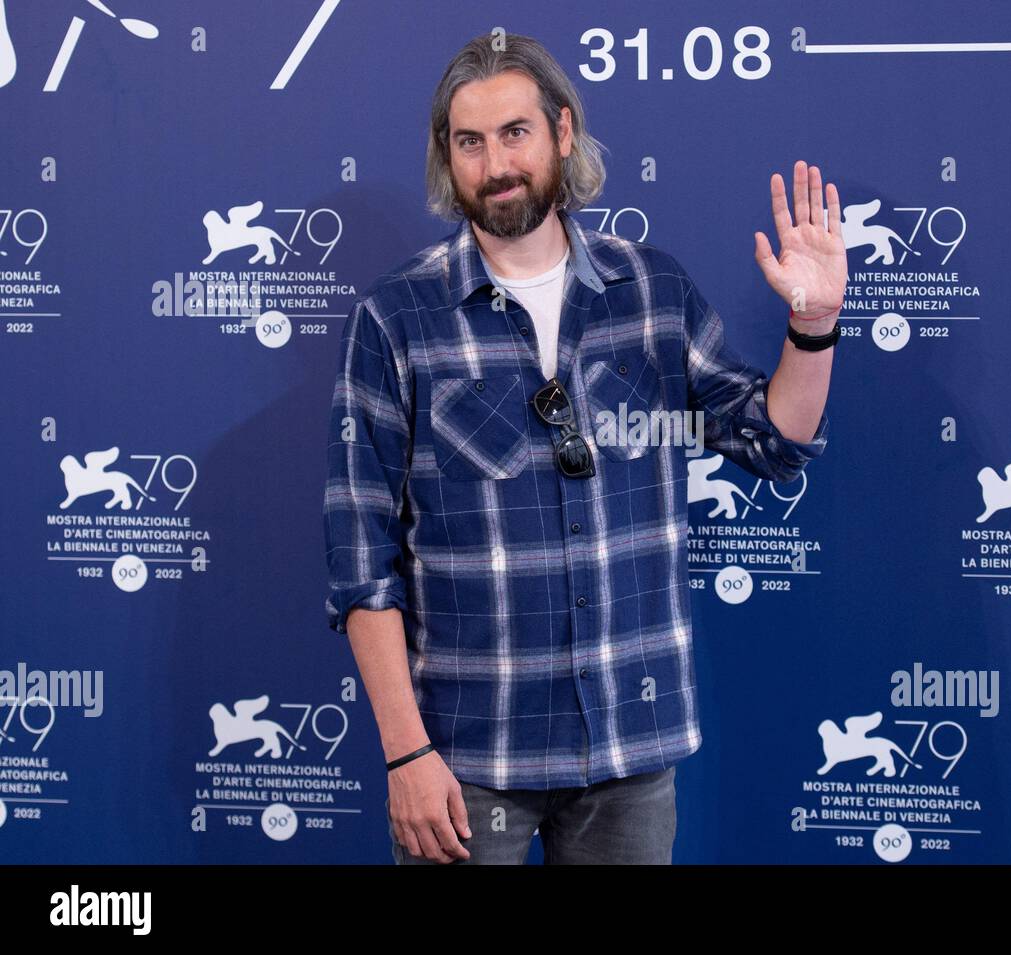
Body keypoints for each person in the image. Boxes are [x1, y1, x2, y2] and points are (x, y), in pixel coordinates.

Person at [323, 31, 846, 865]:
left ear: (564, 133)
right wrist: (405, 752)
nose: (495, 162)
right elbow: (360, 559)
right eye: (469, 141)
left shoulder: (652, 292)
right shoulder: (397, 318)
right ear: (446, 155)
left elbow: (774, 441)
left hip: (628, 751)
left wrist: (813, 327)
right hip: (465, 757)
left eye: (516, 133)